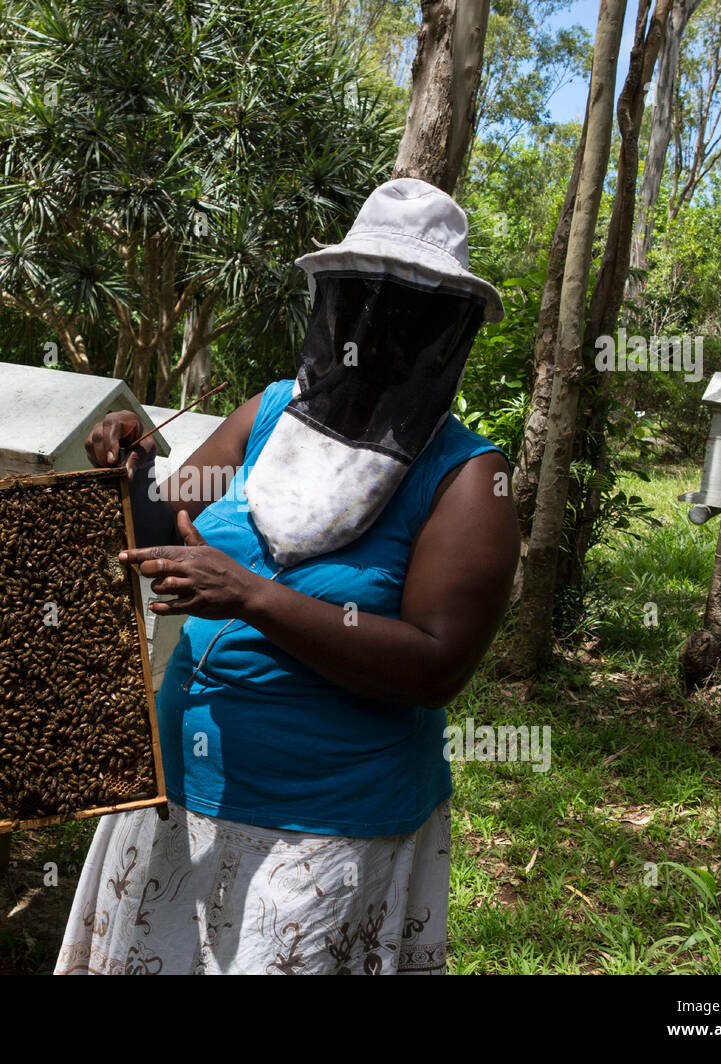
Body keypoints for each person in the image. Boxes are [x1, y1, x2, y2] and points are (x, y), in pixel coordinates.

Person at [54, 178, 519, 975]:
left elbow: (437, 666)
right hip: (178, 796)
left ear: (444, 333)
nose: (375, 330)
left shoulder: (470, 479)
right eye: (362, 302)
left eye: (405, 313)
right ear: (334, 305)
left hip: (326, 833)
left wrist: (257, 599)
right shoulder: (266, 415)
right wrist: (126, 469)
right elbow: (165, 530)